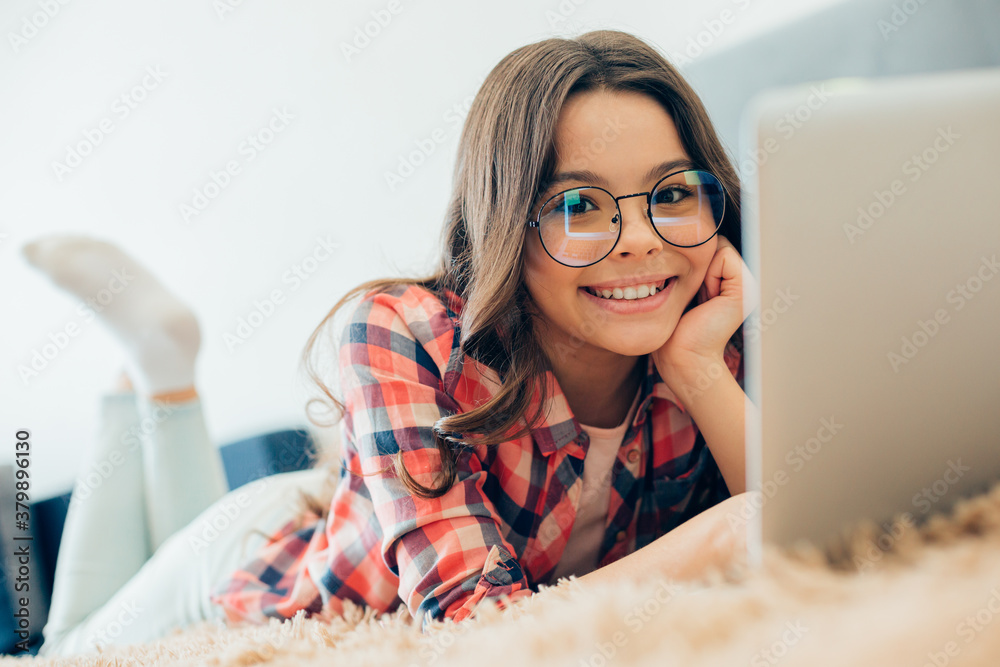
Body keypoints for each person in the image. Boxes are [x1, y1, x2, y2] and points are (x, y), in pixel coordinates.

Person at [27, 28, 759, 658]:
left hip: (351, 501)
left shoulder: (705, 330)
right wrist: (716, 538)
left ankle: (158, 367)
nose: (639, 242)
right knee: (62, 648)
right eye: (577, 205)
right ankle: (160, 367)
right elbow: (473, 628)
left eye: (670, 194)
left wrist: (699, 371)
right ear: (505, 224)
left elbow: (807, 529)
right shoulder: (406, 330)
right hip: (254, 562)